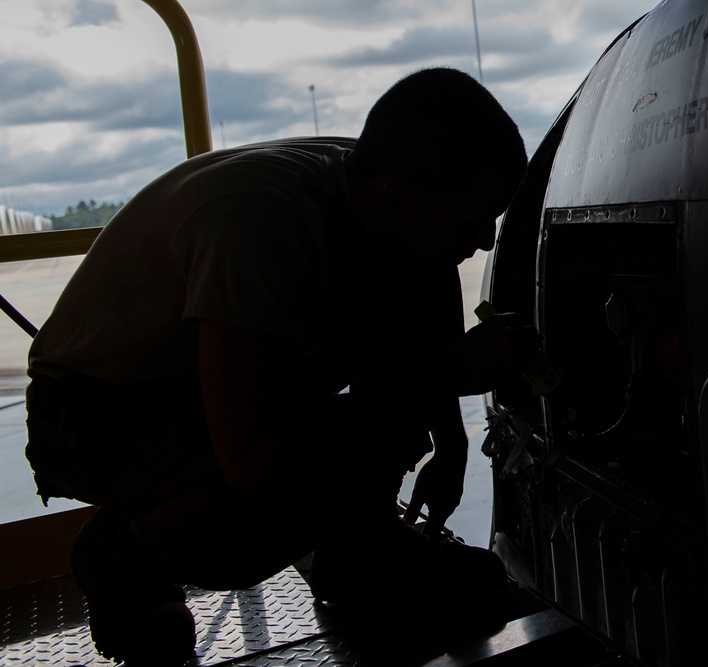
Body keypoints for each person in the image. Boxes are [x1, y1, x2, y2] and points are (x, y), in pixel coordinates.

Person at [24, 67, 536, 665]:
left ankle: (359, 552)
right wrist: (443, 377)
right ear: (399, 196)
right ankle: (124, 553)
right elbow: (254, 458)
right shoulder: (263, 224)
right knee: (259, 509)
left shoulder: (389, 195)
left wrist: (450, 445)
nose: (483, 240)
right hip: (95, 410)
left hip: (207, 388)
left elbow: (427, 313)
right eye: (471, 222)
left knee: (414, 293)